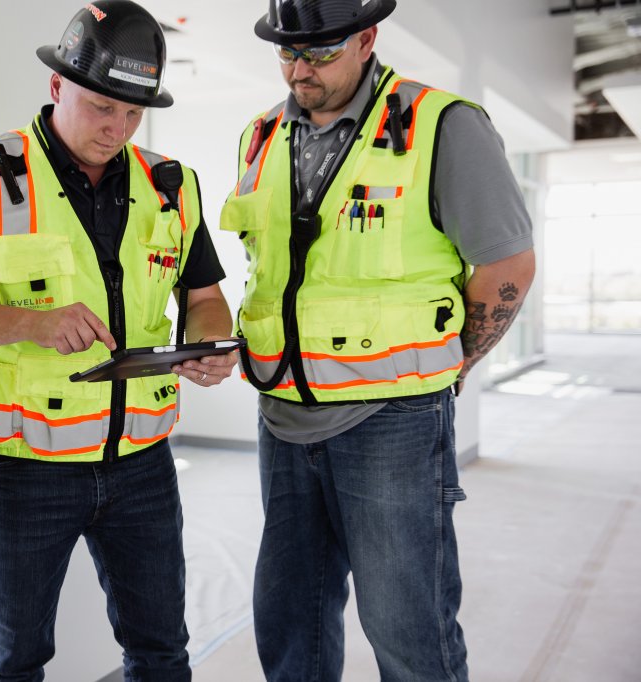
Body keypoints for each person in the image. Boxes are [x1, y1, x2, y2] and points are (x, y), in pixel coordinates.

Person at [0, 1, 234, 678]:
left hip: (144, 464)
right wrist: (31, 324)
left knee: (160, 648)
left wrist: (206, 343)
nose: (117, 129)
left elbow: (204, 299)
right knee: (13, 659)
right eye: (101, 107)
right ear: (57, 86)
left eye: (133, 114)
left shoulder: (173, 189)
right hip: (21, 467)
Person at [221, 1, 536, 680]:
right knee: (288, 623)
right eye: (287, 52)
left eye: (320, 53)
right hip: (283, 418)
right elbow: (274, 274)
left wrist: (458, 360)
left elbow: (508, 264)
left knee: (406, 630)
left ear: (367, 39)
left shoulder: (442, 126)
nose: (299, 70)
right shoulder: (259, 137)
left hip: (392, 421)